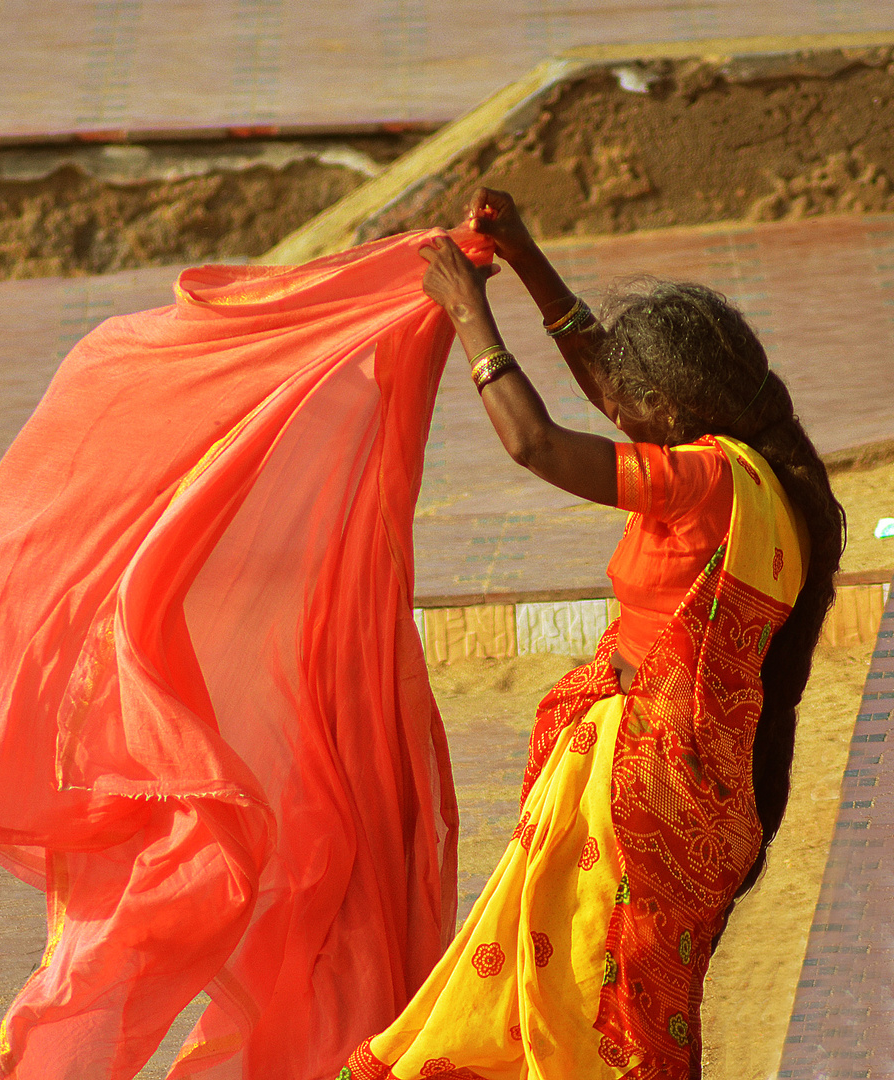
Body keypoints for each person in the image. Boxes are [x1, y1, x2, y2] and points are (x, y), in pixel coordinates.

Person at [340, 189, 845, 1079]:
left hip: (644, 793)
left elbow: (536, 444)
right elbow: (612, 384)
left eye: (634, 401)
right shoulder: (765, 476)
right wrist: (529, 259)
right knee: (628, 1002)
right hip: (701, 796)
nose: (616, 406)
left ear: (675, 414)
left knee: (594, 1011)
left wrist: (470, 315)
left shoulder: (701, 483)